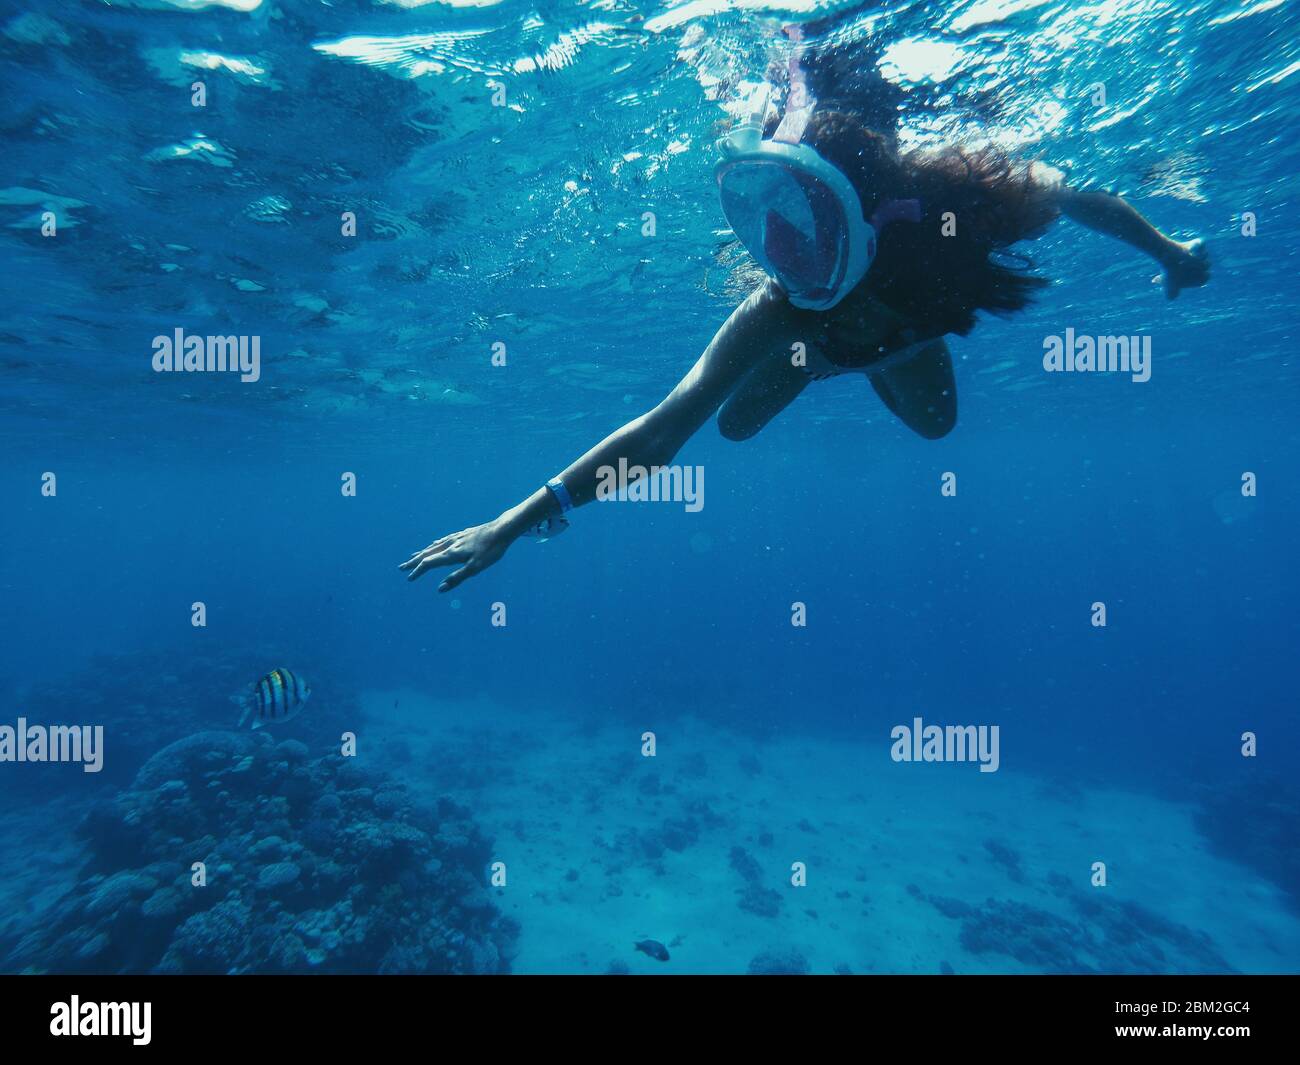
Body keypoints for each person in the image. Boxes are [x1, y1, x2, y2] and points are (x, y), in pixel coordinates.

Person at [401, 31, 1210, 592]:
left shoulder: (952, 197)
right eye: (767, 229)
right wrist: (514, 520)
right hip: (819, 347)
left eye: (804, 228)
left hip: (899, 342)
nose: (780, 258)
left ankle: (848, 360)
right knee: (732, 425)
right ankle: (821, 363)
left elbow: (1077, 197)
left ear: (866, 211)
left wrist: (1169, 250)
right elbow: (661, 429)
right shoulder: (784, 304)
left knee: (937, 429)